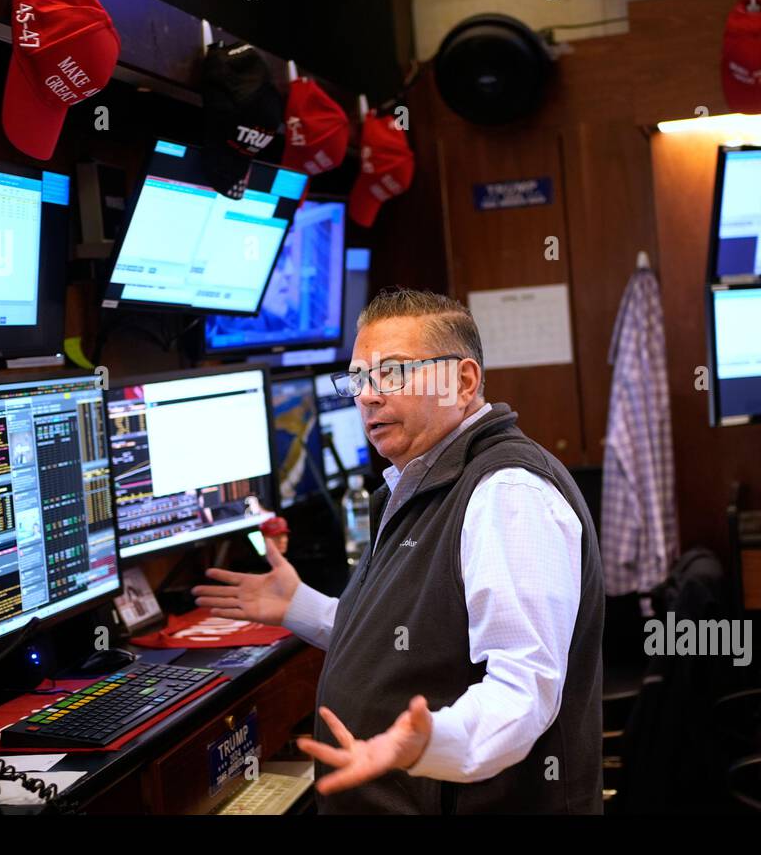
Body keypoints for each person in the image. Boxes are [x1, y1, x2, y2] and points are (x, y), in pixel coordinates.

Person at [193, 288, 603, 814]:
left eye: (394, 373)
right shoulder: (419, 481)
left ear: (463, 381)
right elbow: (414, 638)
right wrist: (299, 606)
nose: (367, 395)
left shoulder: (507, 493)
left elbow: (525, 689)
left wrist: (429, 743)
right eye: (360, 378)